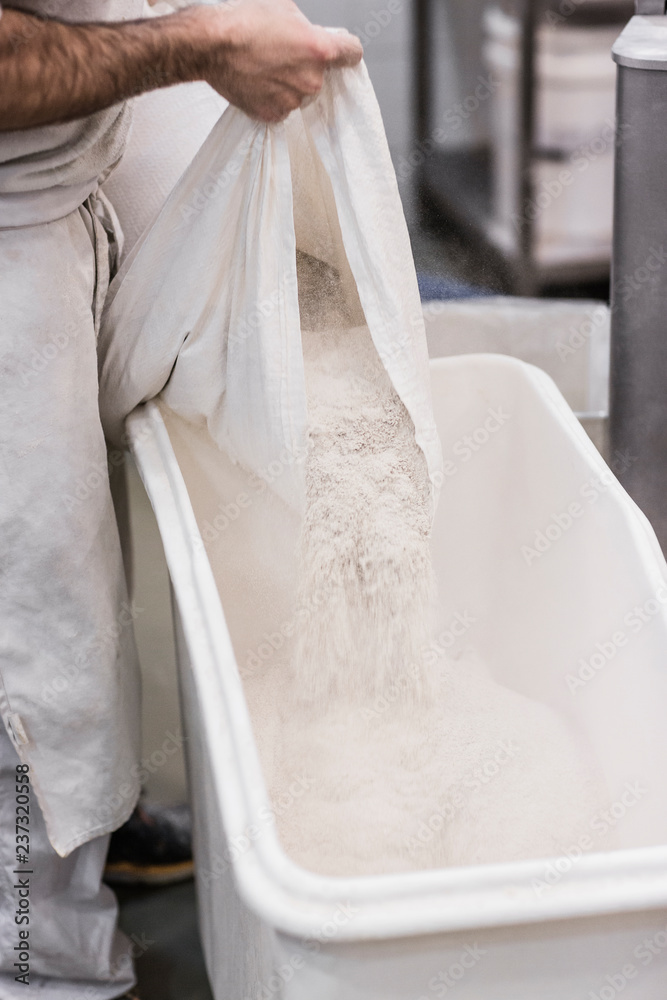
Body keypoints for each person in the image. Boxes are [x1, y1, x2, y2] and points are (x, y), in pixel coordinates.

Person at [0, 2, 362, 997]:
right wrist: (194, 47)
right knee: (34, 652)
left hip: (65, 154)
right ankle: (37, 953)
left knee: (89, 530)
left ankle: (95, 814)